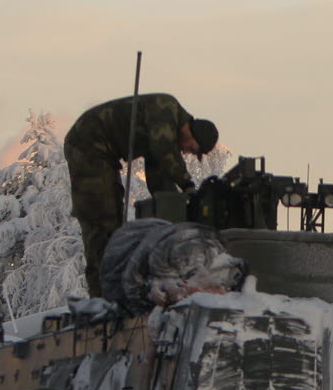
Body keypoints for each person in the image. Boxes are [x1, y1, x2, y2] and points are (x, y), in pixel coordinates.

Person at [64, 93, 219, 296]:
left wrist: (173, 209)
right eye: (192, 148)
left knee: (114, 219)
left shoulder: (164, 132)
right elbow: (164, 151)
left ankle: (109, 289)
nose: (186, 152)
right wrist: (188, 185)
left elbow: (159, 177)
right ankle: (101, 294)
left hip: (102, 154)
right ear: (192, 132)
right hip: (87, 146)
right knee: (102, 218)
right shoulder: (166, 109)